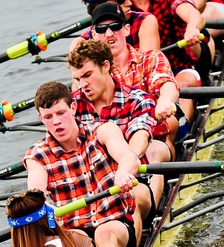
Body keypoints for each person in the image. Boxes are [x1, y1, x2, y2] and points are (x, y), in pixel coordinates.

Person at [25, 81, 140, 247]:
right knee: (75, 239)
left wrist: (123, 172)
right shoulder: (37, 155)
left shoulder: (103, 131)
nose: (56, 122)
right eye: (48, 117)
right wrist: (36, 205)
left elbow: (128, 157)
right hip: (78, 236)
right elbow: (36, 191)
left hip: (116, 227)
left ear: (73, 108)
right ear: (41, 119)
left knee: (104, 232)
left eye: (61, 113)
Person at [67, 35, 169, 208]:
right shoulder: (72, 108)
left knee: (152, 151)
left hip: (133, 177)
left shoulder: (138, 100)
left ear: (106, 66)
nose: (82, 85)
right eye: (77, 79)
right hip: (93, 182)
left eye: (87, 75)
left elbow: (140, 137)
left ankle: (153, 210)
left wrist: (127, 165)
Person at [113, 0, 209, 119]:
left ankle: (182, 131)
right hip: (140, 80)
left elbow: (193, 13)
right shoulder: (118, 11)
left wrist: (191, 27)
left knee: (182, 85)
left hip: (179, 69)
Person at [89, 0, 180, 156]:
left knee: (153, 149)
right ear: (93, 34)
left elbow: (166, 83)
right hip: (113, 146)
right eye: (102, 29)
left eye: (115, 27)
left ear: (126, 30)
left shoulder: (150, 58)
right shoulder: (91, 73)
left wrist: (165, 100)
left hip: (154, 136)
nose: (109, 34)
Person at [81, 0, 160, 52]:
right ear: (99, 6)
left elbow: (150, 62)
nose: (130, 3)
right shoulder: (82, 43)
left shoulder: (145, 21)